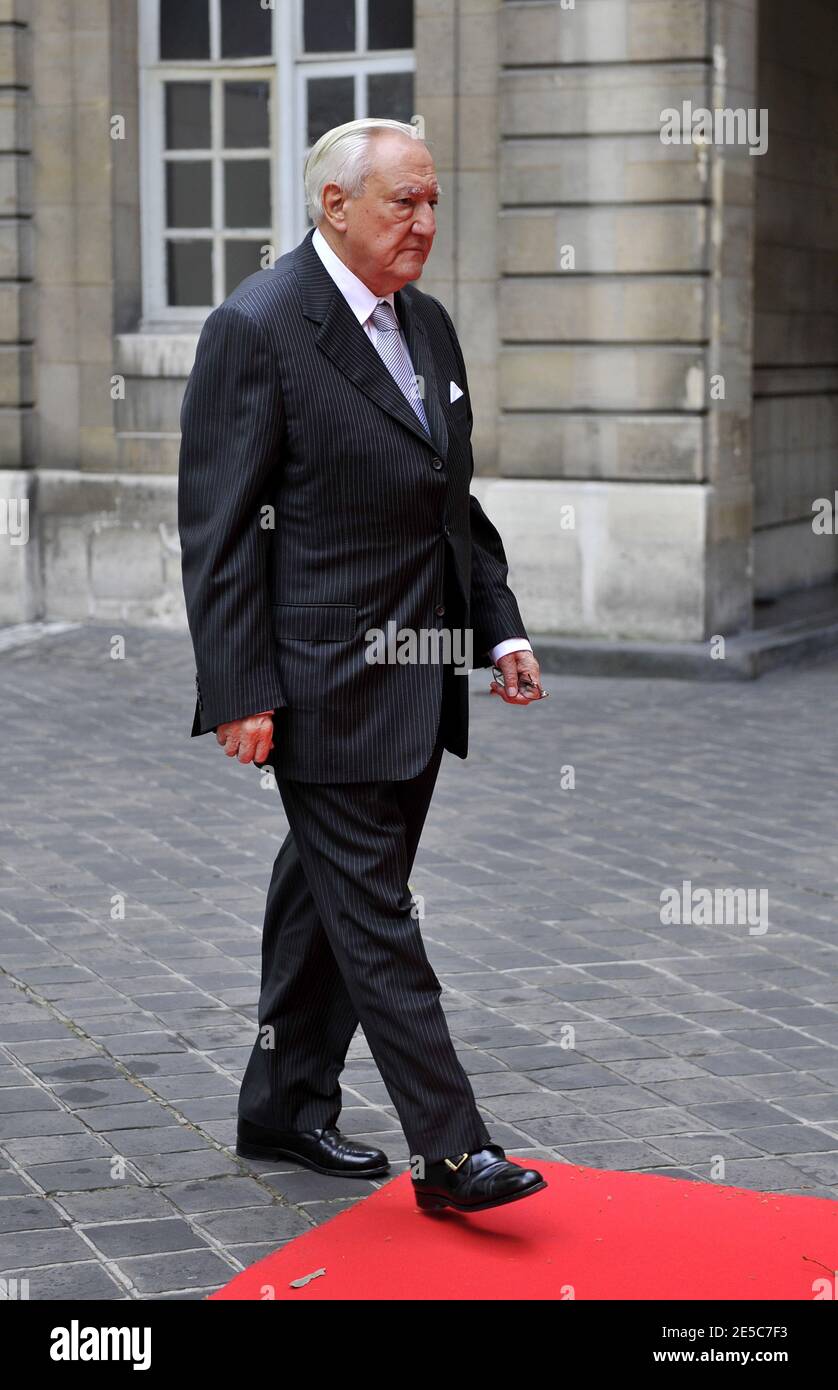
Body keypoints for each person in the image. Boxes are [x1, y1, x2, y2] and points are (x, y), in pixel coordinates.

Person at [178, 118, 548, 1214]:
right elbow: (219, 525)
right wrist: (238, 683)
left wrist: (500, 627)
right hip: (318, 677)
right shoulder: (256, 327)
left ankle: (284, 1104)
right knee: (378, 908)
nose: (426, 224)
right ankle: (452, 1151)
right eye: (405, 204)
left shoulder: (426, 327)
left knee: (325, 893)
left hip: (419, 664)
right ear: (334, 205)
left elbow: (450, 502)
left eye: (435, 203)